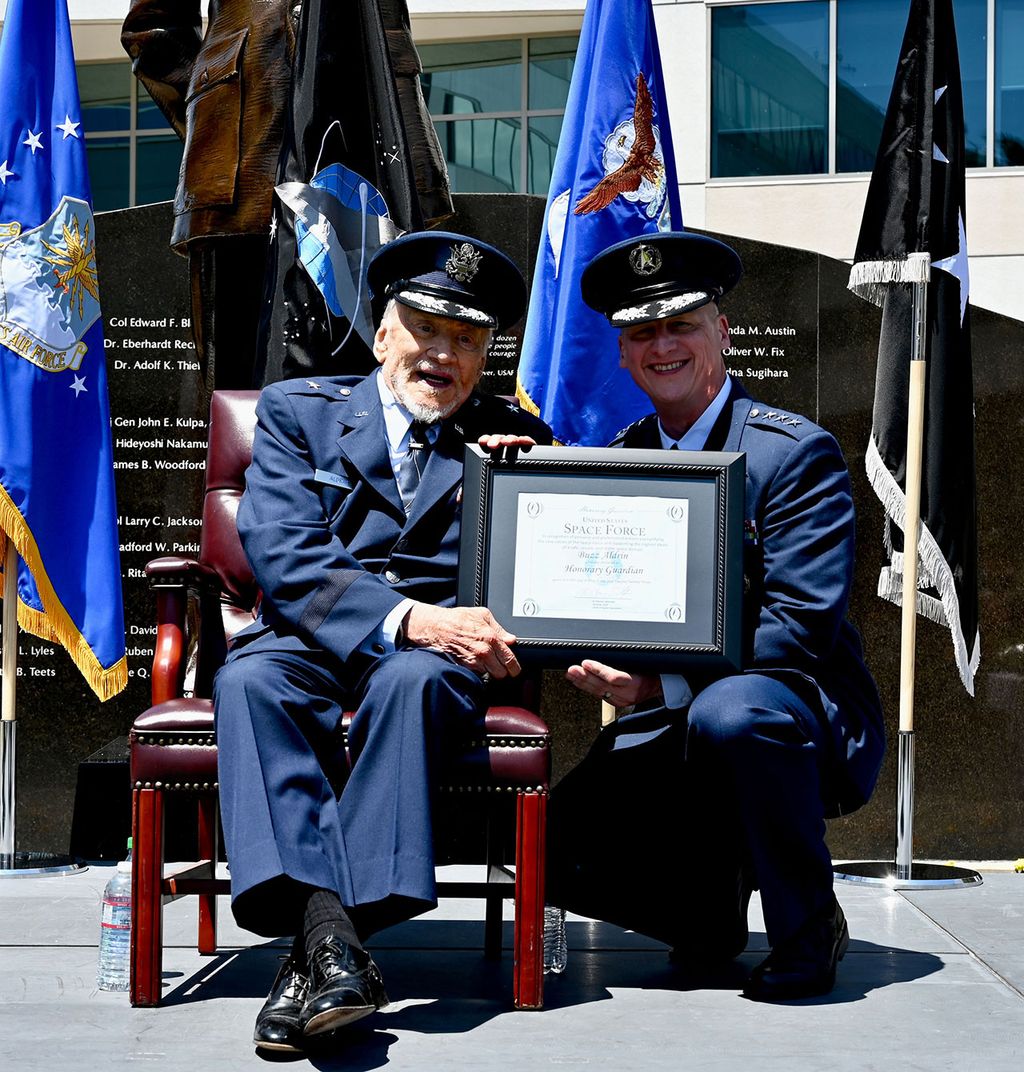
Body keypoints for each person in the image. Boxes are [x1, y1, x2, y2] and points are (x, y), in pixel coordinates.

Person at [212, 231, 552, 1052]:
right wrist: (407, 618)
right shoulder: (300, 412)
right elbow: (286, 550)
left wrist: (520, 487)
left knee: (413, 683)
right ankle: (336, 946)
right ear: (383, 331)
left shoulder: (510, 432)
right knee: (247, 683)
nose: (443, 355)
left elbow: (539, 575)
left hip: (430, 664)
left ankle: (319, 950)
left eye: (467, 340)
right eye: (427, 329)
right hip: (307, 637)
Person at [546, 232, 885, 1001]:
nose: (662, 346)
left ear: (721, 334)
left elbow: (800, 626)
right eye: (641, 333)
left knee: (730, 713)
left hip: (795, 704)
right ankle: (707, 910)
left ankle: (807, 929)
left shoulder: (792, 454)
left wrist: (662, 682)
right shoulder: (620, 457)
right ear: (625, 356)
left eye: (681, 326)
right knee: (560, 839)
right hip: (679, 706)